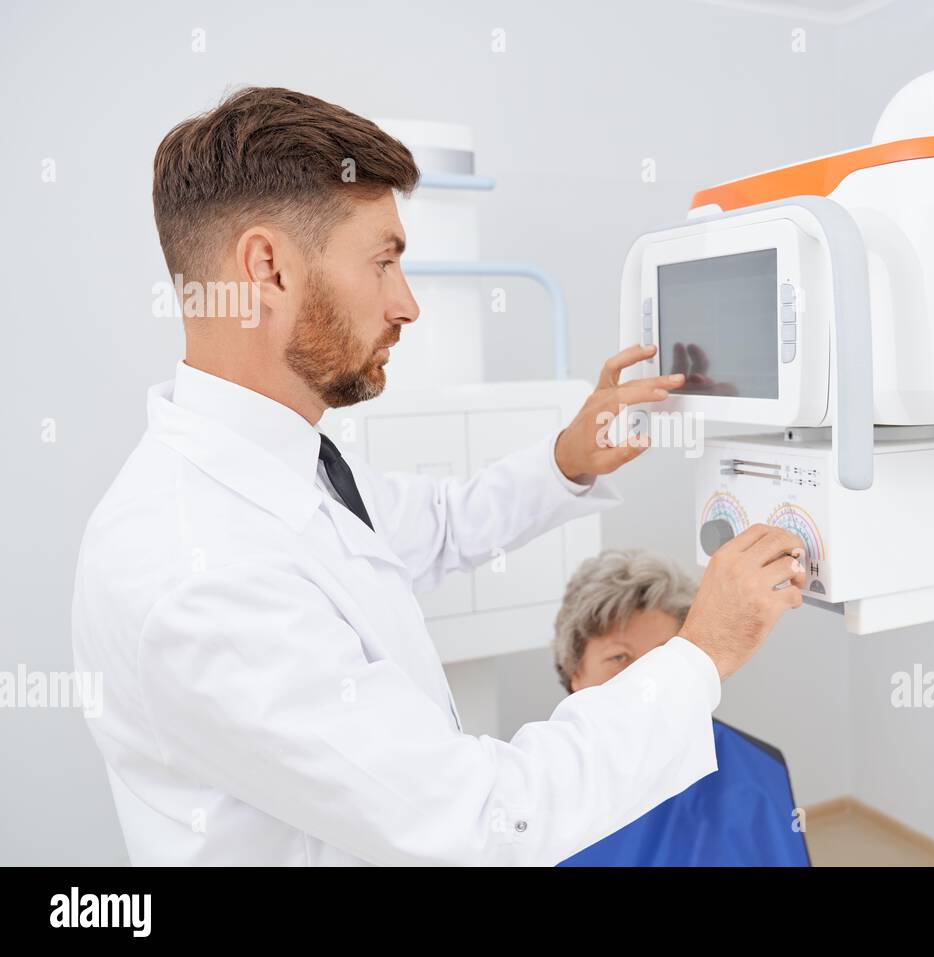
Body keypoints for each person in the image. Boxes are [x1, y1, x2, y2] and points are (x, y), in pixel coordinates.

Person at [70, 87, 807, 866]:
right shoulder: (201, 573)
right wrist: (704, 650)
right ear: (268, 268)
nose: (408, 304)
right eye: (383, 261)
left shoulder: (288, 462)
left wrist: (566, 460)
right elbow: (482, 820)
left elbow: (442, 524)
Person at [551, 550, 810, 866]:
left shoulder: (752, 772)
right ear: (574, 670)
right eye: (619, 658)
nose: (642, 681)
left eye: (661, 657)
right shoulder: (539, 784)